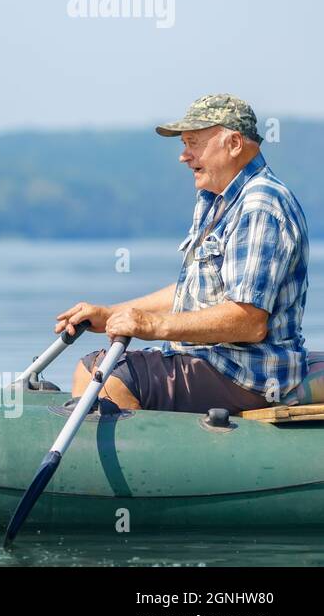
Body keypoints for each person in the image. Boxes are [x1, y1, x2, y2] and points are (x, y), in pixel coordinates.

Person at [56, 94, 309, 413]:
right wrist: (110, 312)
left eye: (193, 142)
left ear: (232, 143)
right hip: (216, 363)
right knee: (94, 365)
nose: (183, 156)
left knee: (111, 378)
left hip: (248, 376)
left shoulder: (260, 206)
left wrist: (151, 325)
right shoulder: (218, 199)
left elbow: (249, 321)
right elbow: (191, 293)